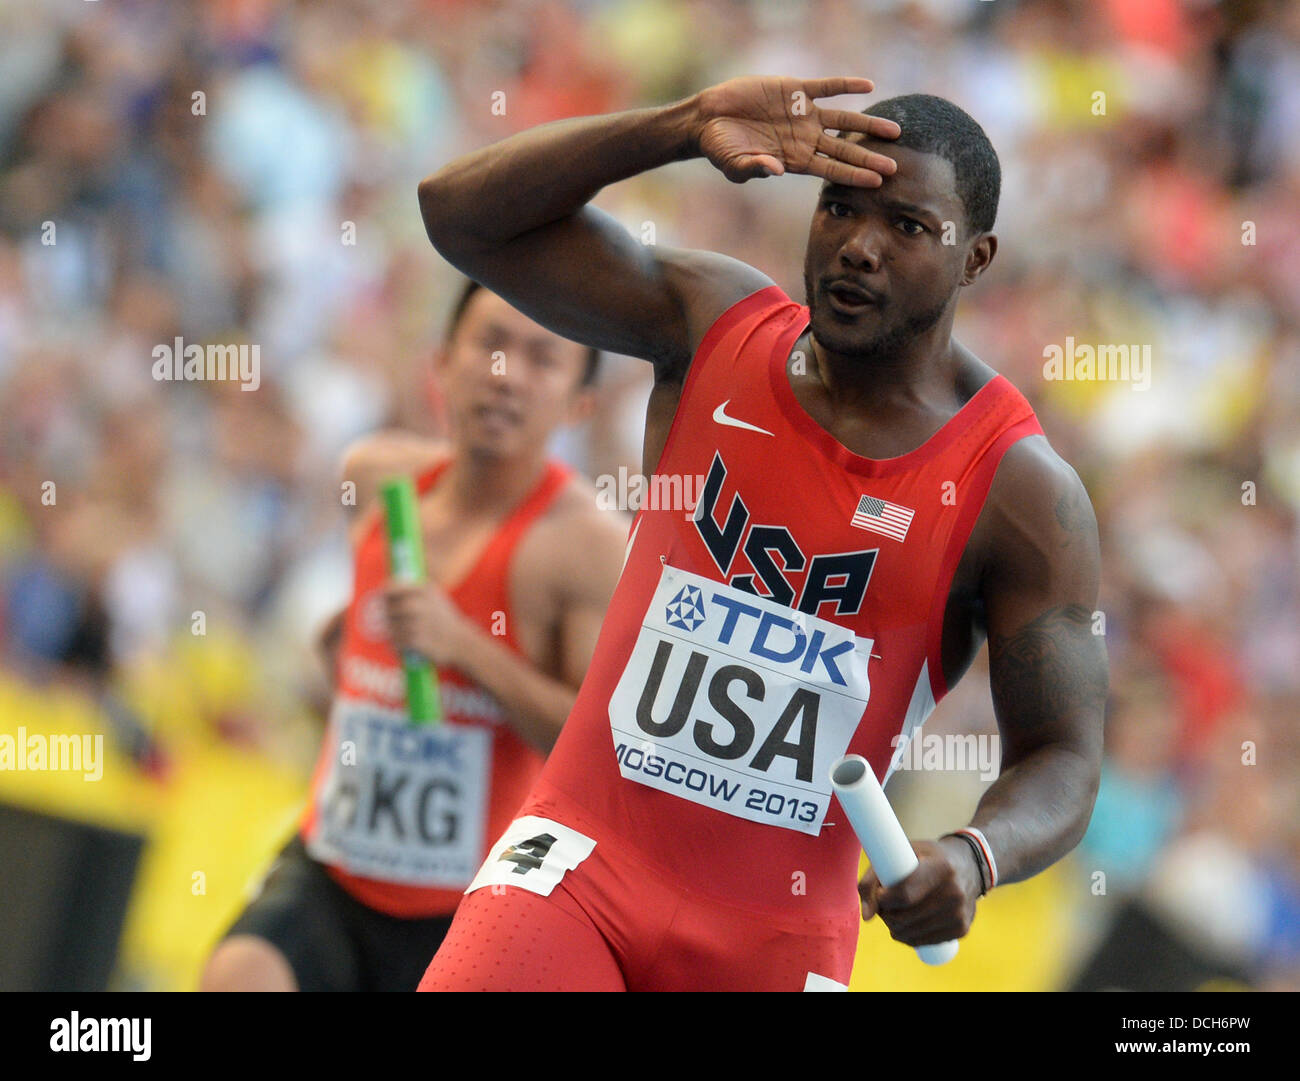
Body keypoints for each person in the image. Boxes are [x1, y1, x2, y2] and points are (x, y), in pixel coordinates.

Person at [413, 75, 1109, 992]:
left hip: (777, 947)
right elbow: (460, 216)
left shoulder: (1017, 492)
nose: (858, 247)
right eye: (838, 208)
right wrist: (680, 125)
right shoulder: (709, 326)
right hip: (578, 865)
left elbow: (1064, 756)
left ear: (975, 258)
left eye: (906, 228)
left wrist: (977, 856)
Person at [200, 280, 629, 991]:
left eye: (541, 358)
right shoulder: (373, 479)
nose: (506, 375)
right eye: (490, 344)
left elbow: (593, 750)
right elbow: (366, 644)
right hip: (335, 861)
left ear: (579, 402)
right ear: (443, 362)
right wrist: (350, 655)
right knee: (239, 974)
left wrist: (465, 646)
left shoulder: (585, 546)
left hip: (467, 910)